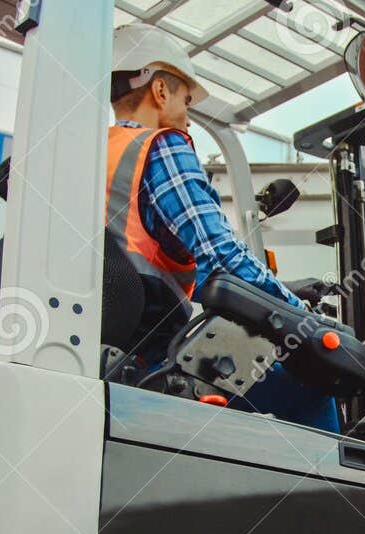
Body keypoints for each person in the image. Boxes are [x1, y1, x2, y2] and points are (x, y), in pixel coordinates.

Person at [106, 23, 338, 432]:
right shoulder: (162, 146)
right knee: (311, 391)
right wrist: (304, 317)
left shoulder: (89, 154)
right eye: (186, 99)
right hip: (158, 359)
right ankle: (342, 498)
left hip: (111, 356)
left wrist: (281, 291)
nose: (189, 119)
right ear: (160, 91)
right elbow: (221, 257)